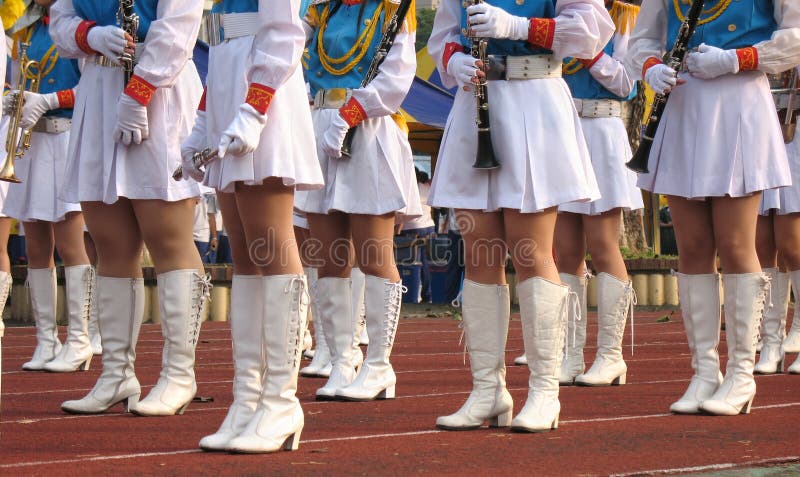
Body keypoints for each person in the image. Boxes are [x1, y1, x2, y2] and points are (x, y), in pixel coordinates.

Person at [428, 0, 613, 432]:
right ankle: (487, 391)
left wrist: (518, 25)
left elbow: (589, 33)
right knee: (480, 253)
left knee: (531, 252)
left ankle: (546, 390)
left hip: (535, 103)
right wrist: (453, 62)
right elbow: (444, 37)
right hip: (477, 104)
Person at [627, 0, 800, 415]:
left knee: (737, 243)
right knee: (693, 246)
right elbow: (641, 40)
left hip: (740, 100)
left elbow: (795, 38)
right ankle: (704, 371)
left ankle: (742, 374)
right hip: (683, 105)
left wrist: (735, 59)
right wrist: (651, 66)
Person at [50, 0, 210, 416]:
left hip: (159, 89)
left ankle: (179, 375)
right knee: (109, 242)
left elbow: (178, 27)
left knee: (168, 237)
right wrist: (91, 35)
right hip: (99, 90)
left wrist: (140, 92)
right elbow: (61, 24)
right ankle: (116, 374)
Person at [181, 0, 323, 453]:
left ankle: (281, 401)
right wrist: (204, 121)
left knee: (272, 245)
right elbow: (221, 42)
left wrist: (255, 108)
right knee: (243, 251)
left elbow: (283, 32)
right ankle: (248, 398)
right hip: (230, 87)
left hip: (263, 94)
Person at [295, 0, 420, 403]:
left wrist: (350, 113)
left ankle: (379, 365)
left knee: (373, 252)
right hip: (320, 122)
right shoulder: (319, 10)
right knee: (329, 256)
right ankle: (342, 360)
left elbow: (397, 78)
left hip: (367, 128)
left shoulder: (392, 9)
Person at [514, 0, 642, 386]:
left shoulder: (623, 16)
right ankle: (571, 354)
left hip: (602, 129)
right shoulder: (553, 11)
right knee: (567, 251)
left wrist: (589, 53)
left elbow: (626, 84)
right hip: (563, 128)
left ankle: (611, 355)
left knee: (603, 246)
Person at [2, 0, 94, 374]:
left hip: (65, 138)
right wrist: (13, 97)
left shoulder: (76, 25)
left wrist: (52, 100)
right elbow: (19, 75)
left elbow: (91, 86)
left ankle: (80, 339)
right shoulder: (29, 27)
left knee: (71, 243)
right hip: (31, 141)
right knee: (36, 243)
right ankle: (45, 340)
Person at [755, 68, 800, 375]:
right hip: (759, 124)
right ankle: (771, 343)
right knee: (760, 243)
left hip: (794, 130)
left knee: (791, 243)